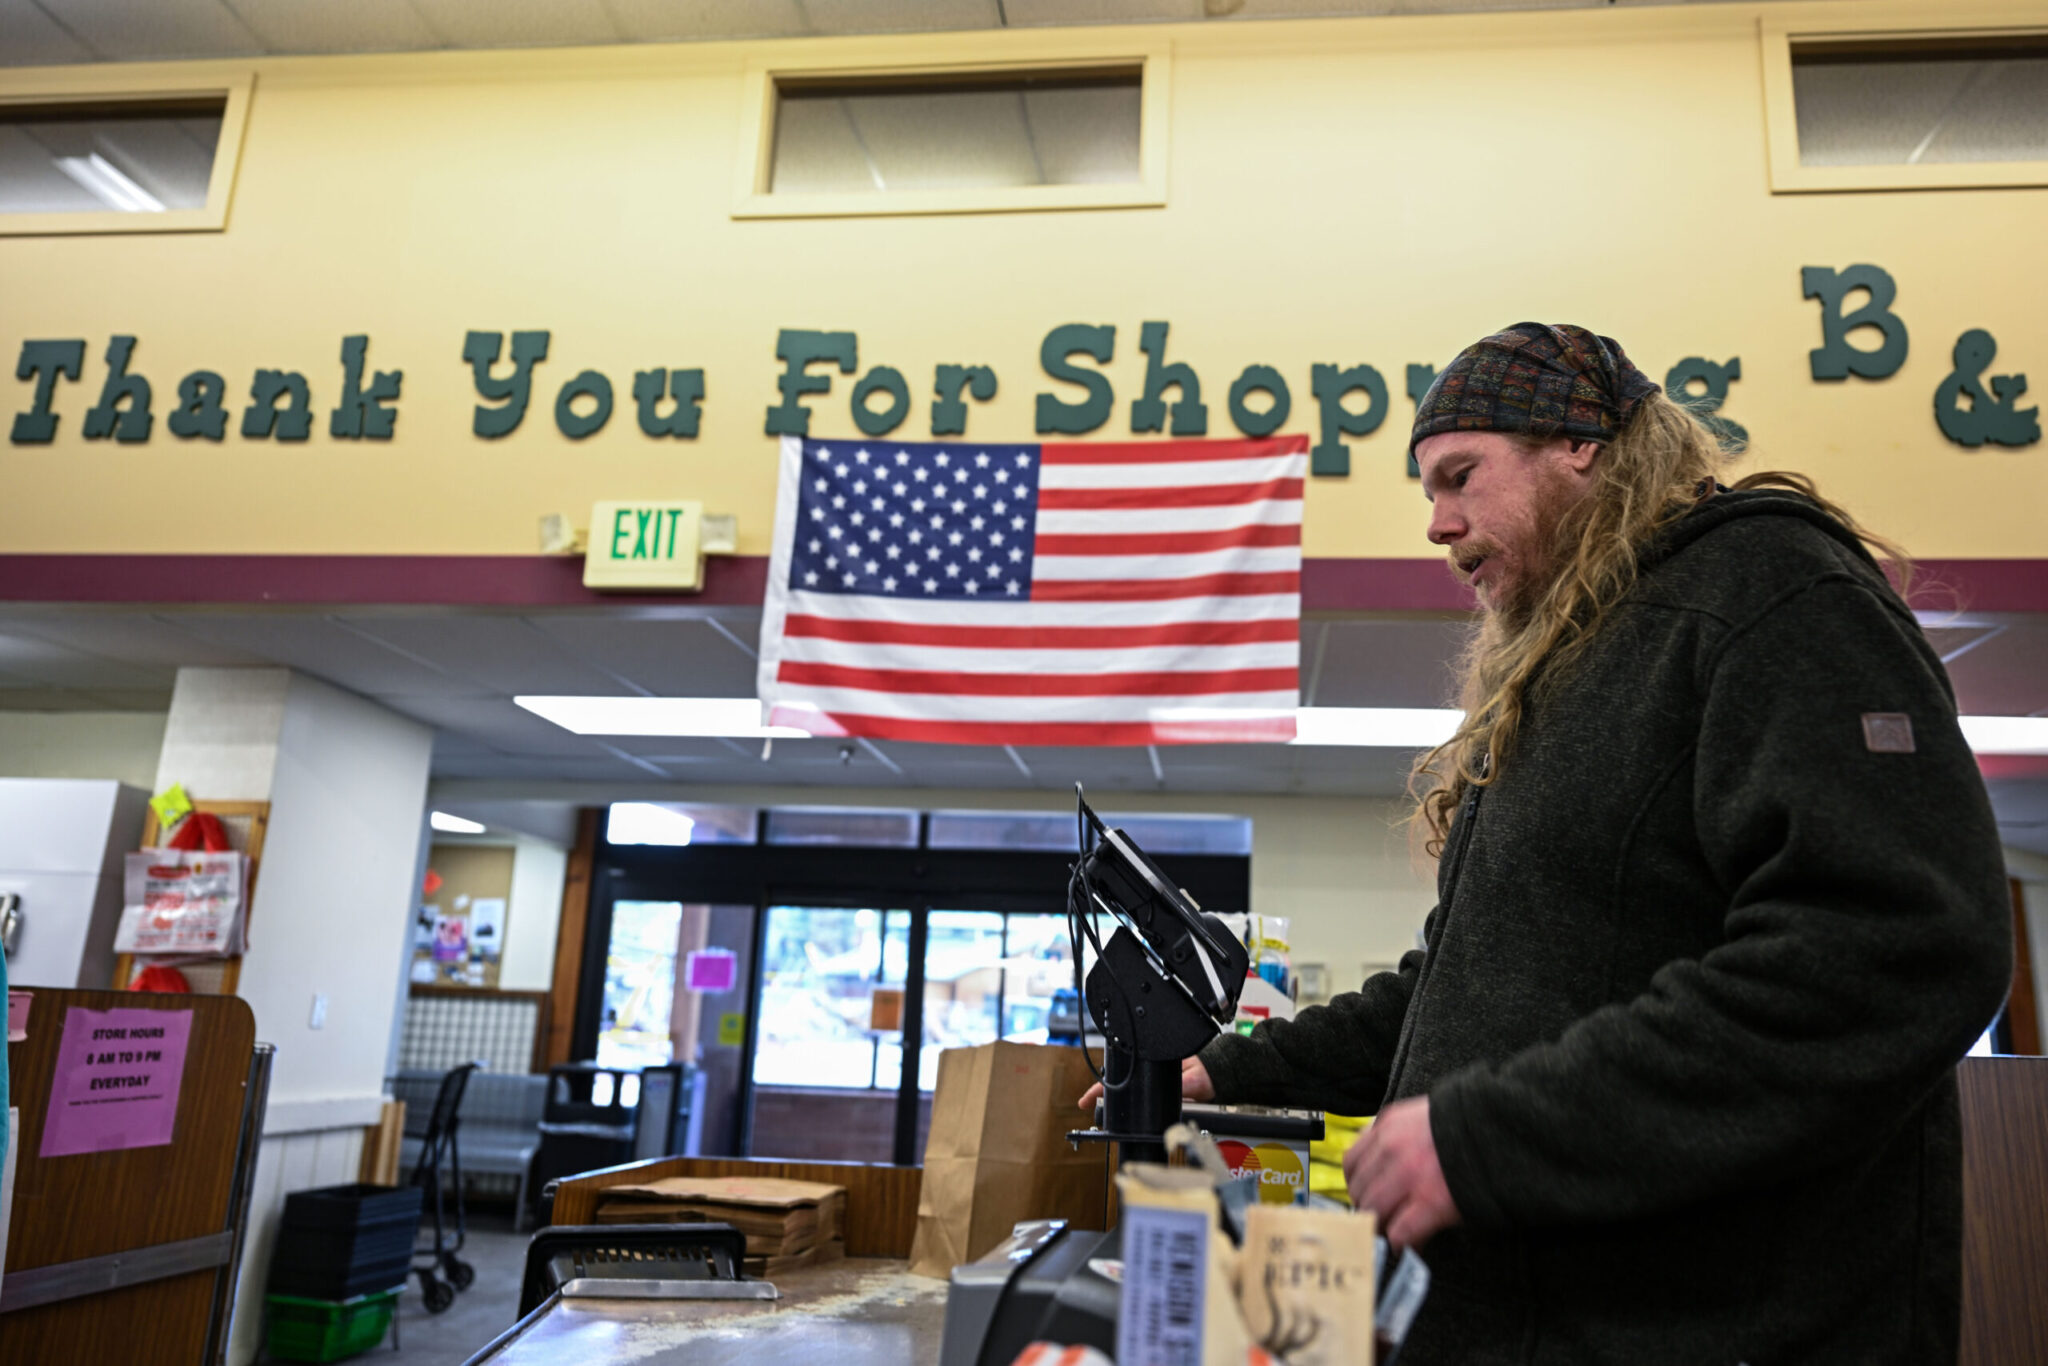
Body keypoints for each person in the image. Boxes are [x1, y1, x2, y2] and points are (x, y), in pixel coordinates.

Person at [1093, 323, 2013, 1366]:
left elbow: (1896, 947)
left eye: (1460, 476)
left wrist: (1488, 1136)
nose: (1437, 524)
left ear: (1579, 443)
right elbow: (1462, 988)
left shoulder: (1772, 595)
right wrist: (1225, 1068)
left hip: (1706, 1327)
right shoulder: (1580, 653)